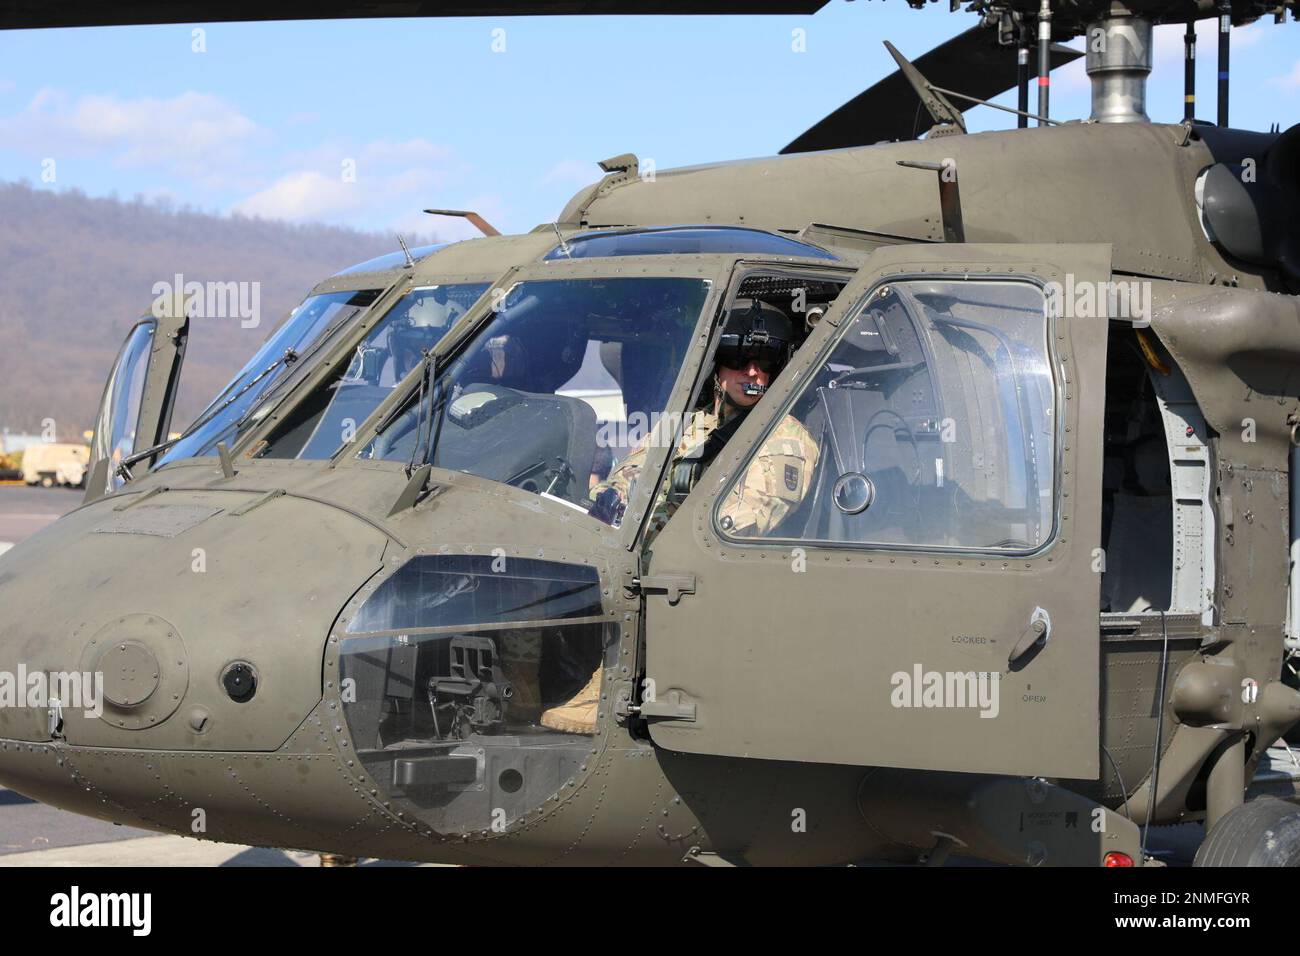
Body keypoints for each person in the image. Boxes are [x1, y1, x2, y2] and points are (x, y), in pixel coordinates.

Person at [538, 299, 819, 734]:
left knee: (653, 568)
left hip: (726, 575)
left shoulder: (785, 439)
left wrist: (657, 532)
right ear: (717, 367)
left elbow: (739, 523)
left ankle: (610, 687)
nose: (753, 374)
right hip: (665, 557)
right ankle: (530, 679)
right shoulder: (691, 425)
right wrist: (608, 500)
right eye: (737, 361)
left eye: (764, 363)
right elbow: (638, 467)